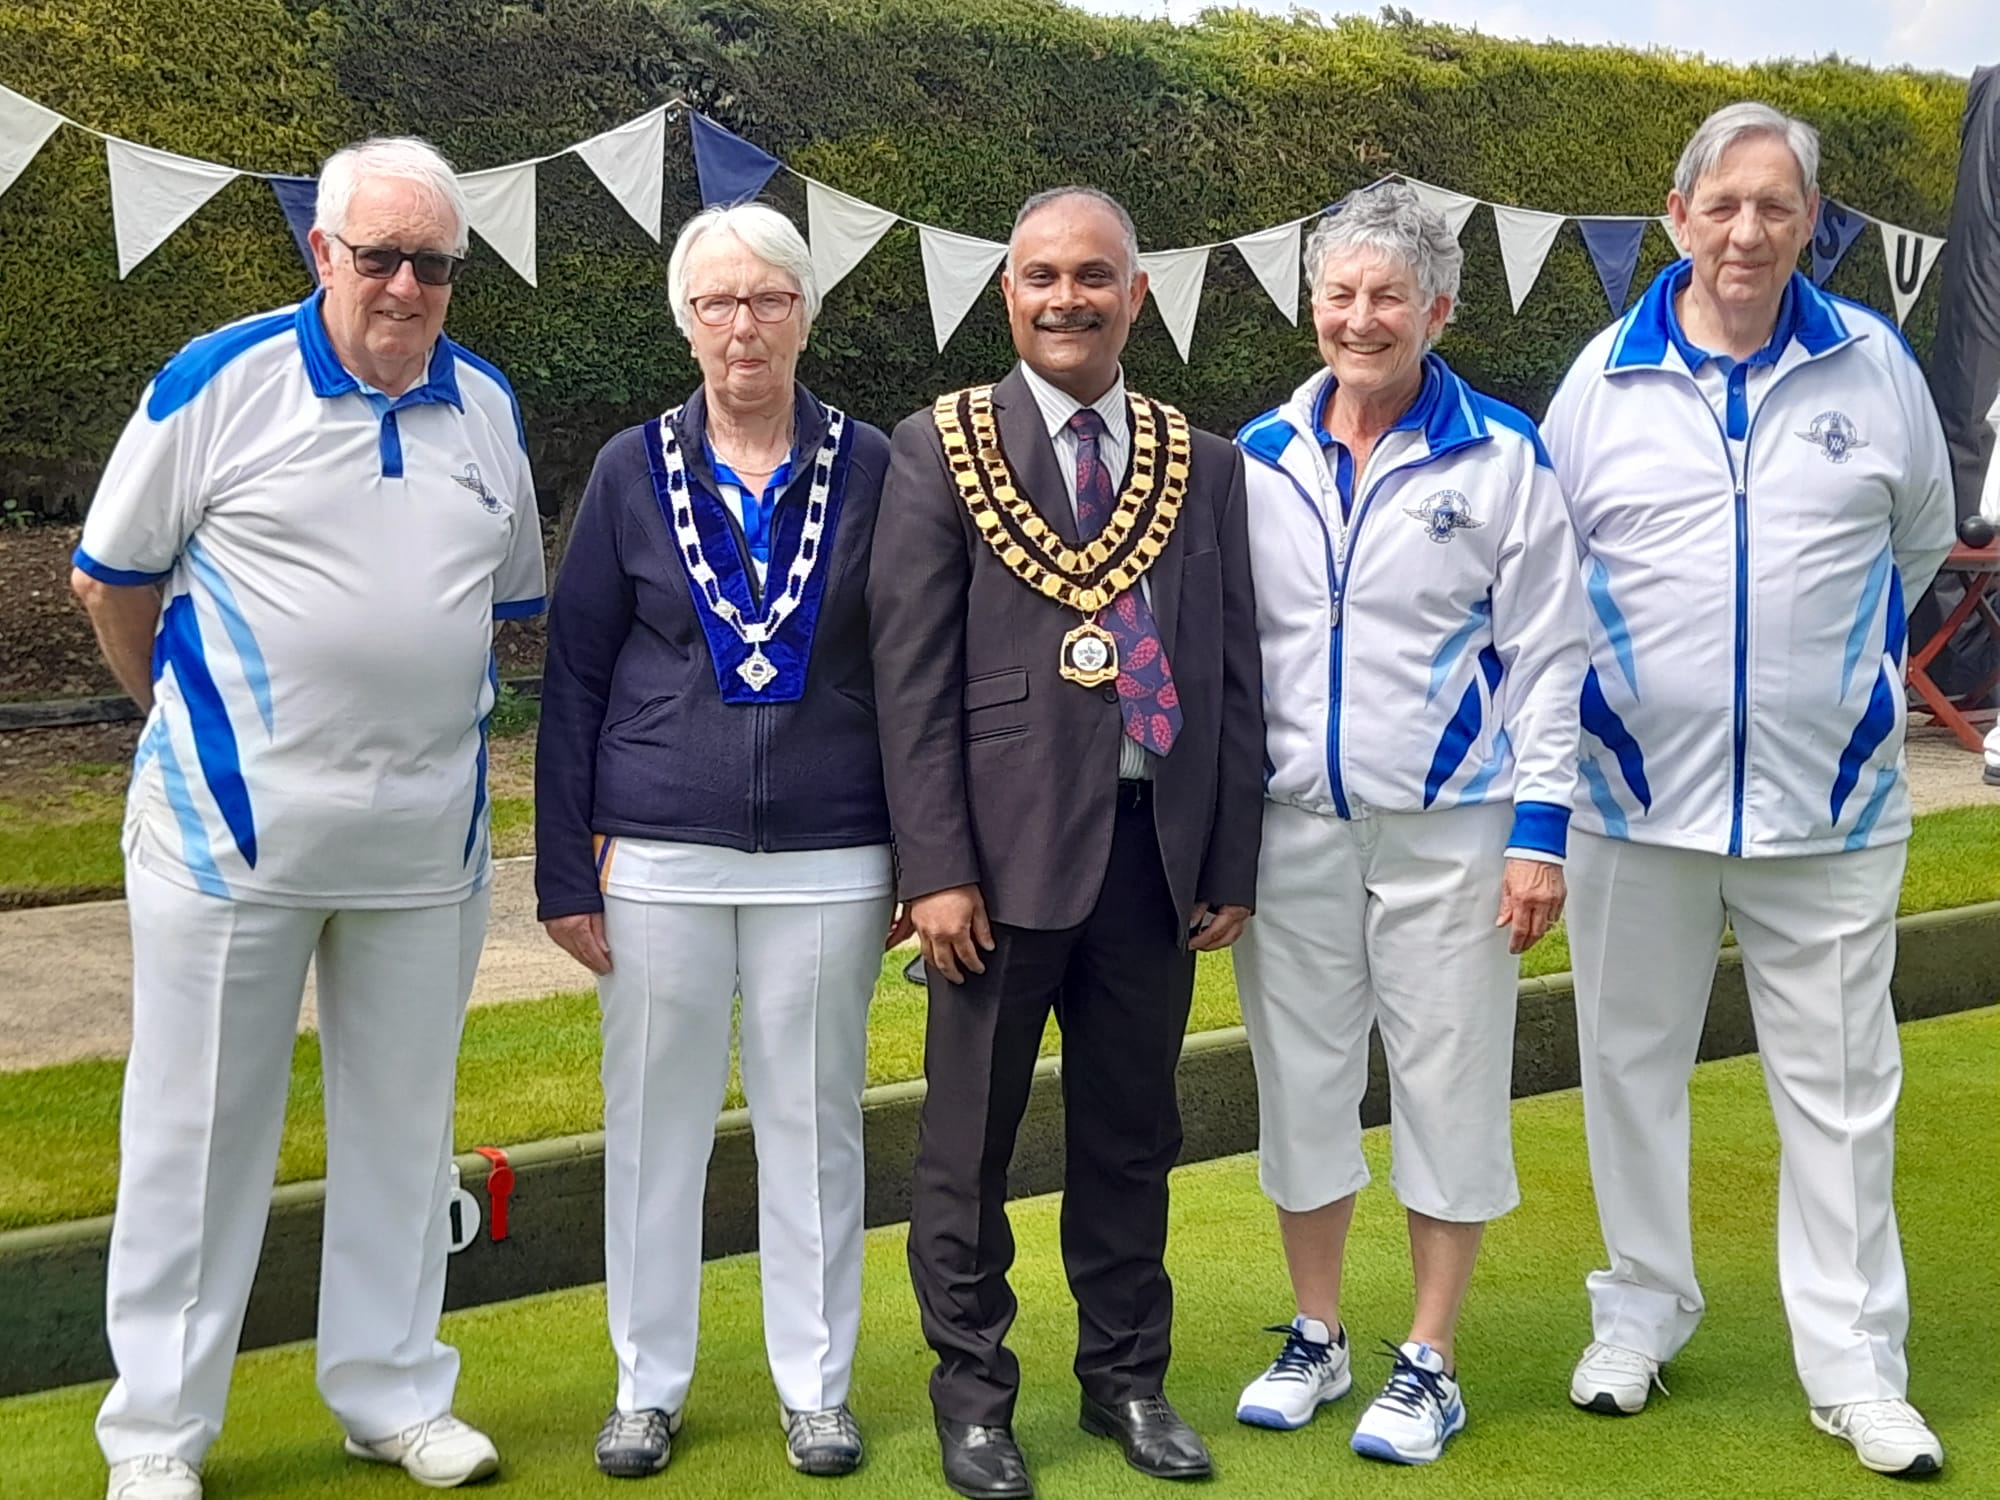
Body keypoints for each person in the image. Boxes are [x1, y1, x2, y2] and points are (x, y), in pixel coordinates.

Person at [71, 136, 544, 1500]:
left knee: (405, 1128)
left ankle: (390, 1394)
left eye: (434, 262)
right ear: (320, 251)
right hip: (228, 845)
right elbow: (114, 582)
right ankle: (156, 1432)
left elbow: (500, 607)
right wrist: (174, 716)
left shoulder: (489, 409)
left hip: (424, 848)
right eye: (378, 254)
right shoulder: (216, 382)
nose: (404, 284)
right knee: (197, 1131)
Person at [1541, 102, 1956, 1478]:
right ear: (1677, 214)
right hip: (1629, 806)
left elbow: (1915, 549)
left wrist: (1829, 710)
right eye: (1724, 203)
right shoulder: (1602, 378)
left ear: (1810, 225)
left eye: (1777, 206)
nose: (1747, 231)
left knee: (1841, 1090)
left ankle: (1854, 1364)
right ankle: (1642, 1313)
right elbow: (1548, 579)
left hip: (1827, 811)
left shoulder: (1875, 368)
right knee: (1630, 1072)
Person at [870, 186, 1264, 1499]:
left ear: (1134, 295)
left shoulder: (1200, 461)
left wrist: (1229, 860)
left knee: (1130, 1139)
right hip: (994, 868)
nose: (1066, 298)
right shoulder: (940, 449)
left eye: (1094, 276)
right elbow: (910, 678)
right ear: (1007, 295)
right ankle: (975, 1401)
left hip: (1155, 863)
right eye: (1041, 276)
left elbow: (1229, 670)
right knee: (965, 1150)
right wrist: (931, 867)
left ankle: (1127, 1385)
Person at [534, 202, 901, 1482]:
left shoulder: (874, 465)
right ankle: (648, 1384)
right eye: (716, 303)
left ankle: (816, 1387)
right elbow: (573, 674)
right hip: (660, 849)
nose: (742, 326)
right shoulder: (631, 469)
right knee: (655, 1126)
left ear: (806, 311)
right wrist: (561, 869)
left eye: (768, 299)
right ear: (683, 322)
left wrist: (924, 850)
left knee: (814, 1123)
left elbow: (912, 665)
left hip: (832, 849)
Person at [1227, 182, 1586, 1467]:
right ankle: (1315, 1337)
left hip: (1455, 832)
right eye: (1338, 293)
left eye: (1388, 296)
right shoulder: (1253, 457)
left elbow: (1550, 657)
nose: (1360, 317)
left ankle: (1427, 1361)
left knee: (1445, 1090)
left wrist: (1539, 832)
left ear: (1437, 308)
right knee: (1302, 1087)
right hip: (1289, 832)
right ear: (1308, 303)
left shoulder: (1501, 454)